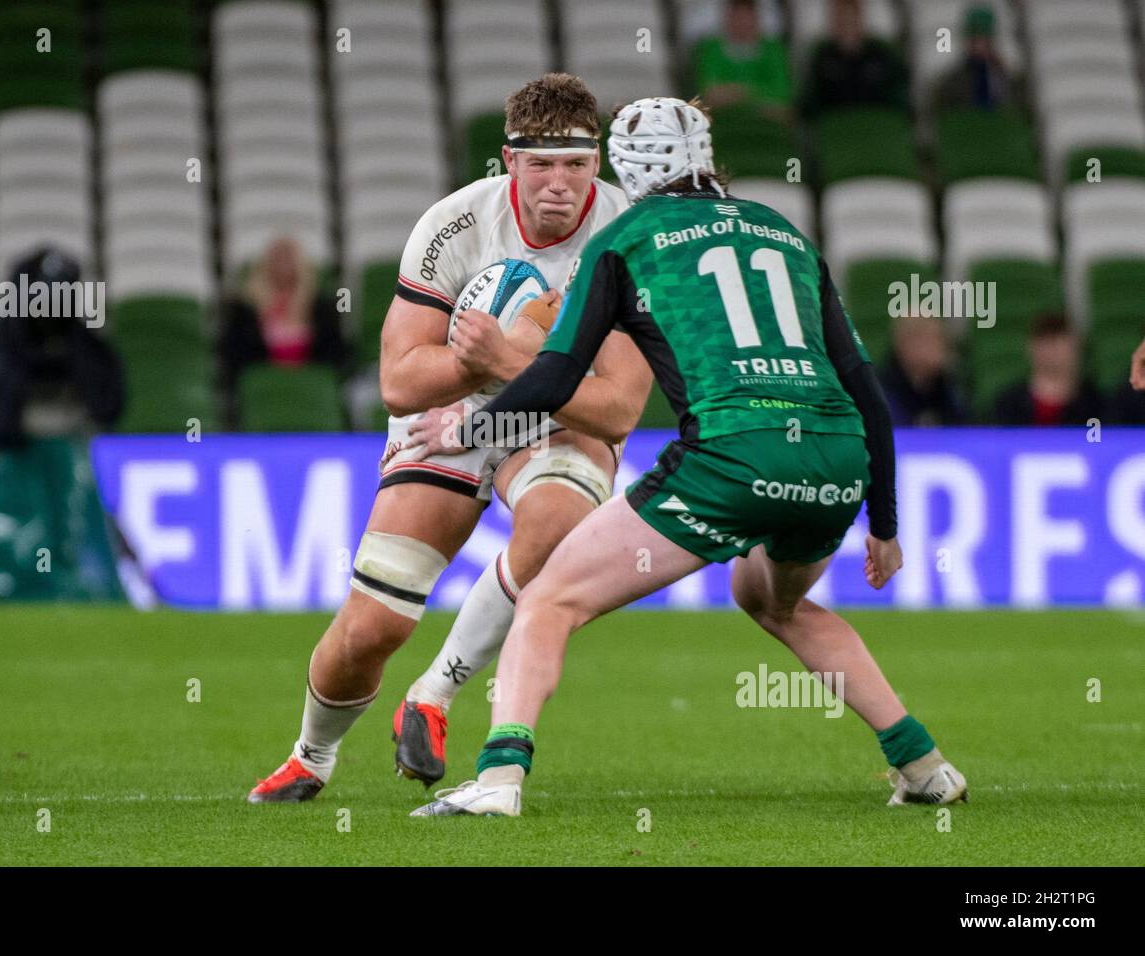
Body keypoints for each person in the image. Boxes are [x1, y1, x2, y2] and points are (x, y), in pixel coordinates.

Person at [404, 96, 967, 817]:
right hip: (835, 459)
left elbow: (556, 375)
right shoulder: (783, 231)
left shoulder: (627, 238)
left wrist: (468, 428)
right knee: (771, 599)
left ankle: (499, 780)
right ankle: (921, 764)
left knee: (549, 597)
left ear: (626, 167)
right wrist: (883, 526)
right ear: (706, 153)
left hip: (731, 456)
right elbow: (868, 393)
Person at [246, 73, 652, 803]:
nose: (559, 183)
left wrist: (511, 358)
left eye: (577, 164)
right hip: (452, 406)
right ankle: (312, 754)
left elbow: (619, 408)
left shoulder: (628, 235)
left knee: (559, 525)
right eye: (541, 164)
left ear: (601, 162)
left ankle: (432, 695)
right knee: (372, 627)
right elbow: (401, 381)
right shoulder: (454, 225)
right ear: (508, 160)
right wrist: (484, 363)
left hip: (557, 414)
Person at [0, 246, 123, 448]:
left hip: (69, 440)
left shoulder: (79, 338)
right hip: (13, 445)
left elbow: (108, 401)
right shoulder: (1, 337)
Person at [219, 236, 351, 422]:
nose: (282, 264)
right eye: (277, 257)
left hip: (310, 389)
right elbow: (234, 356)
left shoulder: (321, 307)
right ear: (264, 264)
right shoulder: (244, 309)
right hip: (262, 390)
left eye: (288, 257)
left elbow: (337, 355)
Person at [800, 0, 909, 118]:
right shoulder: (822, 56)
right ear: (833, 22)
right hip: (836, 127)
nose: (847, 26)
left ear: (860, 20)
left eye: (851, 20)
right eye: (841, 20)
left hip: (877, 125)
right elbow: (811, 101)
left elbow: (899, 94)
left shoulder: (880, 53)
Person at [993, 313, 1102, 426]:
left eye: (1058, 342)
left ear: (1076, 348)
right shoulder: (1007, 406)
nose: (1051, 351)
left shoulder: (1097, 406)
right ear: (1031, 348)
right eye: (1045, 342)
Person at [690, 0, 792, 120]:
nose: (742, 23)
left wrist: (739, 92)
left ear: (756, 18)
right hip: (721, 124)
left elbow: (782, 97)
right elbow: (708, 95)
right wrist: (756, 96)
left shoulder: (774, 51)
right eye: (737, 16)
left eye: (747, 16)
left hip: (767, 125)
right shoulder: (710, 49)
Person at [878, 312, 969, 425]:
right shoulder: (881, 390)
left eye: (940, 339)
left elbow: (962, 425)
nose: (940, 347)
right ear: (906, 344)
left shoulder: (945, 386)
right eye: (932, 339)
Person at [932, 4, 1022, 115]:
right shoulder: (950, 84)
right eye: (974, 37)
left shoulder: (1007, 79)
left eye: (984, 38)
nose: (979, 44)